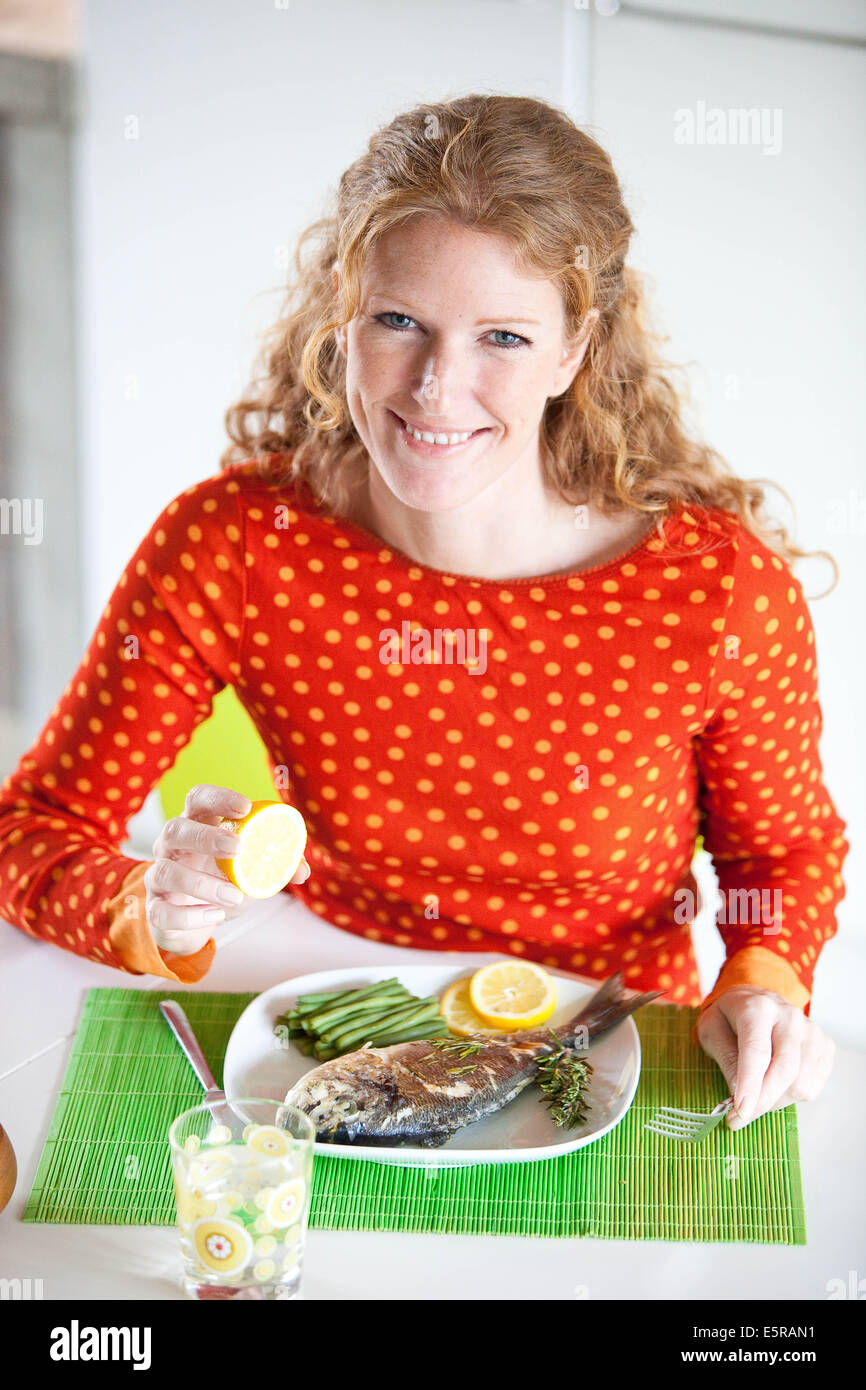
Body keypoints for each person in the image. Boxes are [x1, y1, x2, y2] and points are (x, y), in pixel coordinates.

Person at [0, 94, 848, 1132]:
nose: (438, 390)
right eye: (399, 320)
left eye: (501, 335)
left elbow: (782, 857)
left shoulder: (716, 592)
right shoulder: (233, 542)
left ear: (573, 351)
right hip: (318, 1004)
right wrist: (146, 905)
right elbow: (31, 833)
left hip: (606, 1046)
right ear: (341, 312)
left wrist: (763, 977)